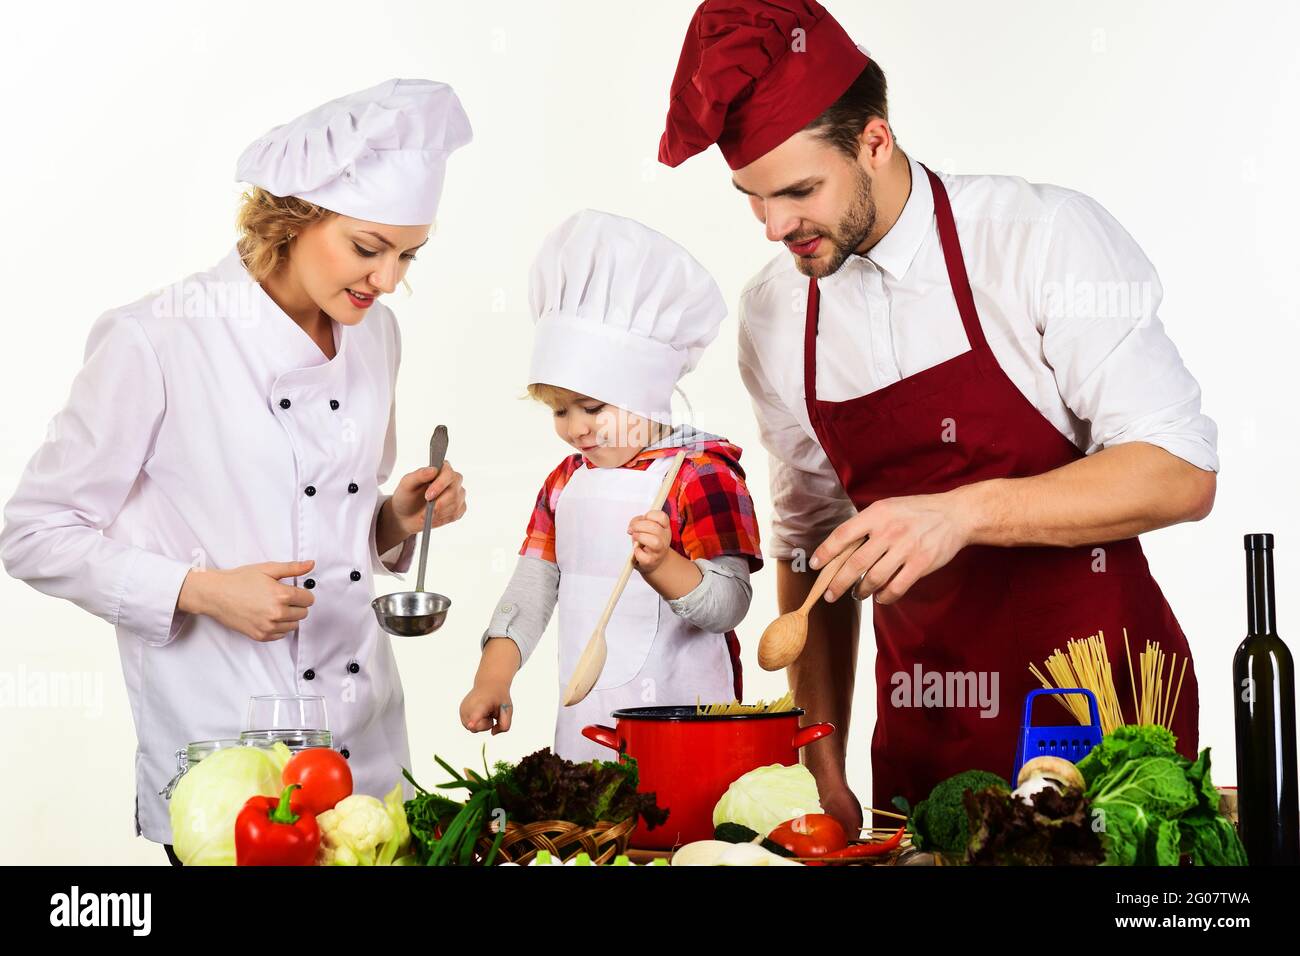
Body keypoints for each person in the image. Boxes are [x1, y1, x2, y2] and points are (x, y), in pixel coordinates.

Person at [658, 1, 1216, 832]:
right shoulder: (775, 313)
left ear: (874, 141)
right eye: (753, 198)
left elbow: (1180, 472)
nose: (776, 227)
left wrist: (964, 513)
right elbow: (813, 552)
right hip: (926, 732)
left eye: (800, 191)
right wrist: (820, 765)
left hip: (1106, 722)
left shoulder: (1036, 239)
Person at [0, 78, 471, 862]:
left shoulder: (375, 335)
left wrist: (396, 519)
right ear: (291, 217)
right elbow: (32, 532)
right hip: (231, 764)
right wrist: (204, 591)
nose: (388, 280)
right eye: (368, 248)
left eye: (407, 254)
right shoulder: (157, 340)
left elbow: (335, 521)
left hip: (368, 752)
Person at [459, 210, 764, 760]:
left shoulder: (701, 473)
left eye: (592, 407)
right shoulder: (566, 482)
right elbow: (531, 589)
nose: (576, 428)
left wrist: (665, 566)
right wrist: (493, 677)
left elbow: (729, 605)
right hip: (585, 721)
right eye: (559, 411)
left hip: (687, 726)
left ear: (645, 389)